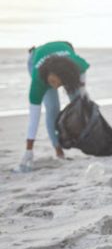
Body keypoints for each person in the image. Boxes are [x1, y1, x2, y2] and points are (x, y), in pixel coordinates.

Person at [16, 41, 89, 172]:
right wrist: (29, 150)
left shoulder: (76, 65)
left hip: (65, 65)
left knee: (78, 101)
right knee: (53, 108)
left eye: (58, 83)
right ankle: (59, 151)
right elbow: (34, 118)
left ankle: (84, 137)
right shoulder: (38, 82)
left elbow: (83, 73)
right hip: (36, 61)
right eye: (53, 82)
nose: (55, 86)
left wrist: (81, 94)